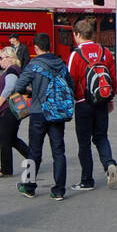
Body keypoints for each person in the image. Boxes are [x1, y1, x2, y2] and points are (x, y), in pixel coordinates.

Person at [14, 32, 72, 201]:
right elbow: (70, 85)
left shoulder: (34, 65)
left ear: (36, 47)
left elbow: (18, 86)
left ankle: (29, 186)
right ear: (50, 47)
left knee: (34, 151)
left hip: (38, 112)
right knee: (59, 152)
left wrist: (30, 92)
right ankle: (59, 190)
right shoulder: (61, 64)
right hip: (57, 113)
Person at [66, 18, 117, 191]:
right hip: (102, 101)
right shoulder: (105, 51)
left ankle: (87, 180)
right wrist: (110, 99)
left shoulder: (76, 54)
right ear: (93, 34)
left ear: (77, 34)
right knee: (101, 136)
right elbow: (112, 78)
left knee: (84, 143)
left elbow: (70, 80)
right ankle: (109, 163)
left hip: (83, 103)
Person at [0, 46, 30, 177]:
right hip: (11, 108)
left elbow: (9, 88)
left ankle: (6, 169)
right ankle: (32, 156)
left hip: (9, 109)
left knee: (4, 137)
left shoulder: (12, 71)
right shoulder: (11, 70)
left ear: (9, 58)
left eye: (1, 58)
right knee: (10, 137)